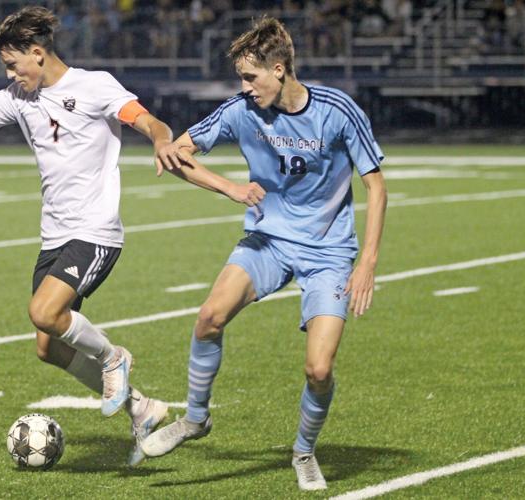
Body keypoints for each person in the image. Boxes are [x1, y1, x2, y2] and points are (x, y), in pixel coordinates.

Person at [0, 5, 187, 466]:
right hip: (54, 236)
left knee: (44, 312)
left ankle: (113, 359)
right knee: (48, 347)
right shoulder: (16, 97)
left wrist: (162, 139)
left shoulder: (95, 86)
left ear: (38, 54)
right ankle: (141, 407)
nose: (9, 73)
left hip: (96, 231)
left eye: (12, 64)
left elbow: (148, 121)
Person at [140, 16, 387, 491]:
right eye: (241, 79)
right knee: (209, 316)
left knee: (319, 368)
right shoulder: (240, 110)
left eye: (250, 77)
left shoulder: (338, 110)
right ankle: (195, 419)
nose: (245, 88)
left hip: (329, 254)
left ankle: (304, 451)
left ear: (279, 68)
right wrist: (227, 187)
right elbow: (175, 154)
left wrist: (367, 264)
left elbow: (376, 187)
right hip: (269, 241)